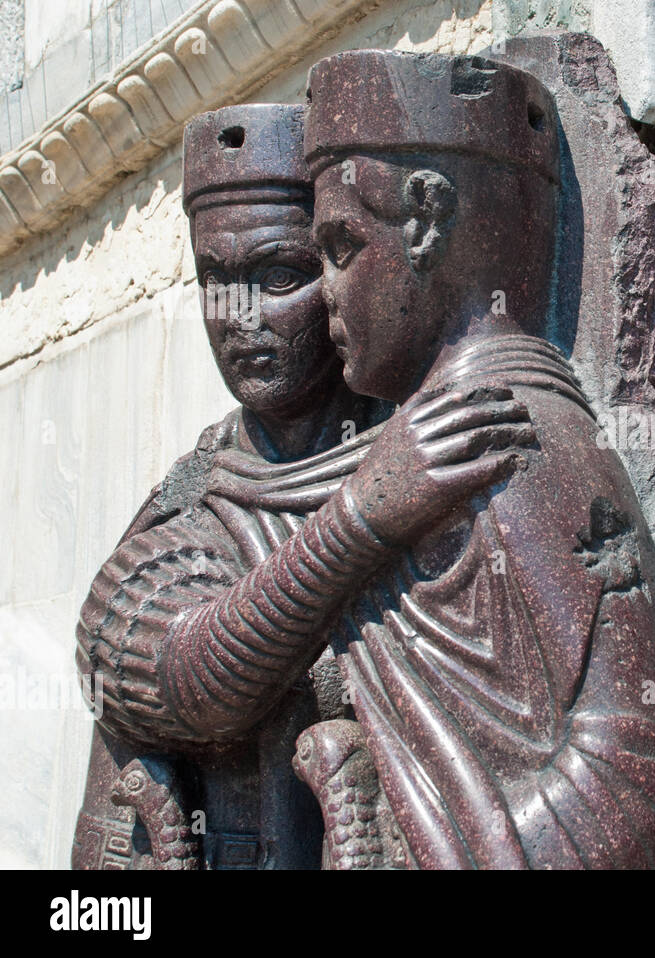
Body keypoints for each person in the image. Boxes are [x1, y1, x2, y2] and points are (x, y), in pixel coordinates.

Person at [72, 103, 391, 869]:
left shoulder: (417, 462)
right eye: (216, 280)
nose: (239, 318)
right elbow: (102, 842)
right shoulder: (184, 502)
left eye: (278, 275)